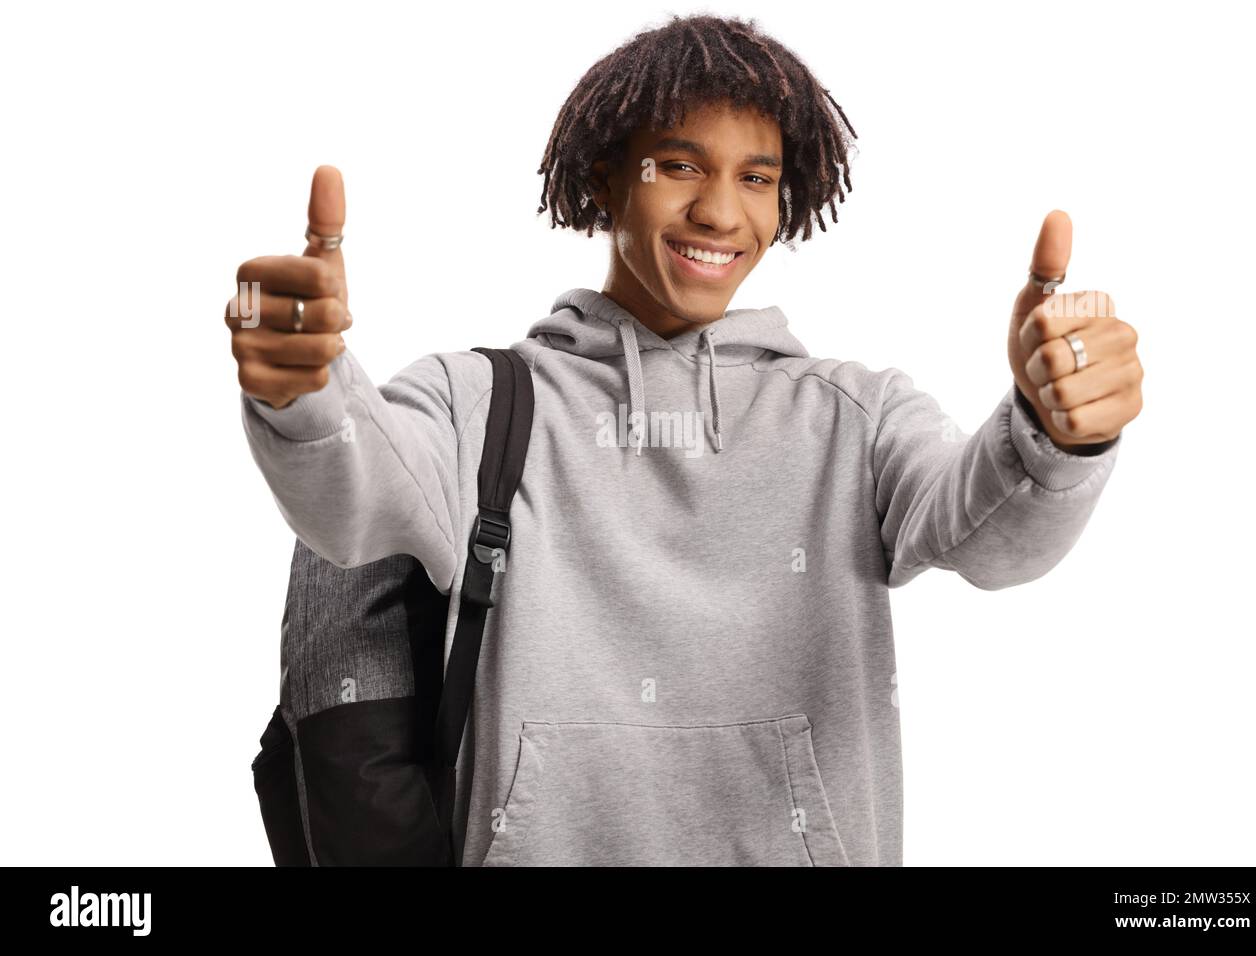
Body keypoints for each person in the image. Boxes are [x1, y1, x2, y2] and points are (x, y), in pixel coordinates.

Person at [227, 13, 1143, 866]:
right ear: (603, 180)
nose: (720, 212)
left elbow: (983, 535)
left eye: (756, 176)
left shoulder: (853, 416)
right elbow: (353, 503)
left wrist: (1055, 433)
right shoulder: (478, 399)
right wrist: (304, 392)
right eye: (678, 165)